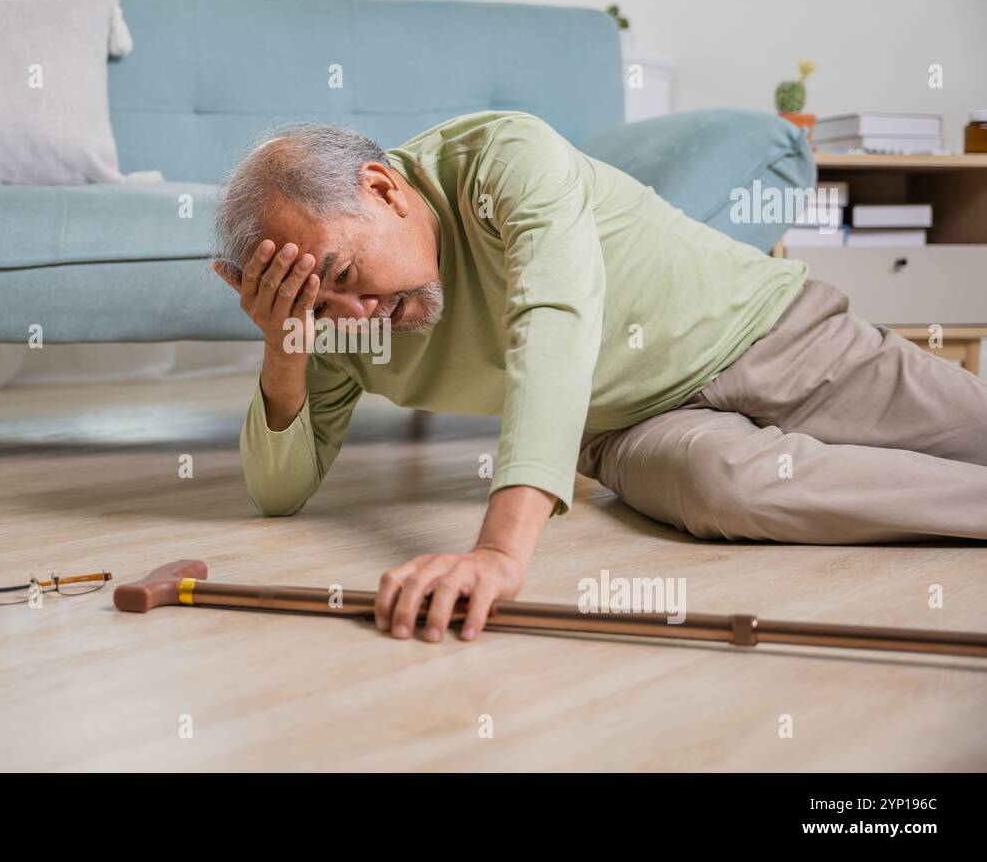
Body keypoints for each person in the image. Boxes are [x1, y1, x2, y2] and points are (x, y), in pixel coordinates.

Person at [210, 111, 987, 642]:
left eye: (345, 271)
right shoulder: (336, 325)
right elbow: (280, 494)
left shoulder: (501, 155)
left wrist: (499, 553)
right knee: (725, 487)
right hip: (629, 428)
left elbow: (554, 326)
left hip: (771, 334)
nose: (355, 308)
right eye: (319, 296)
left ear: (384, 190)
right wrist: (288, 346)